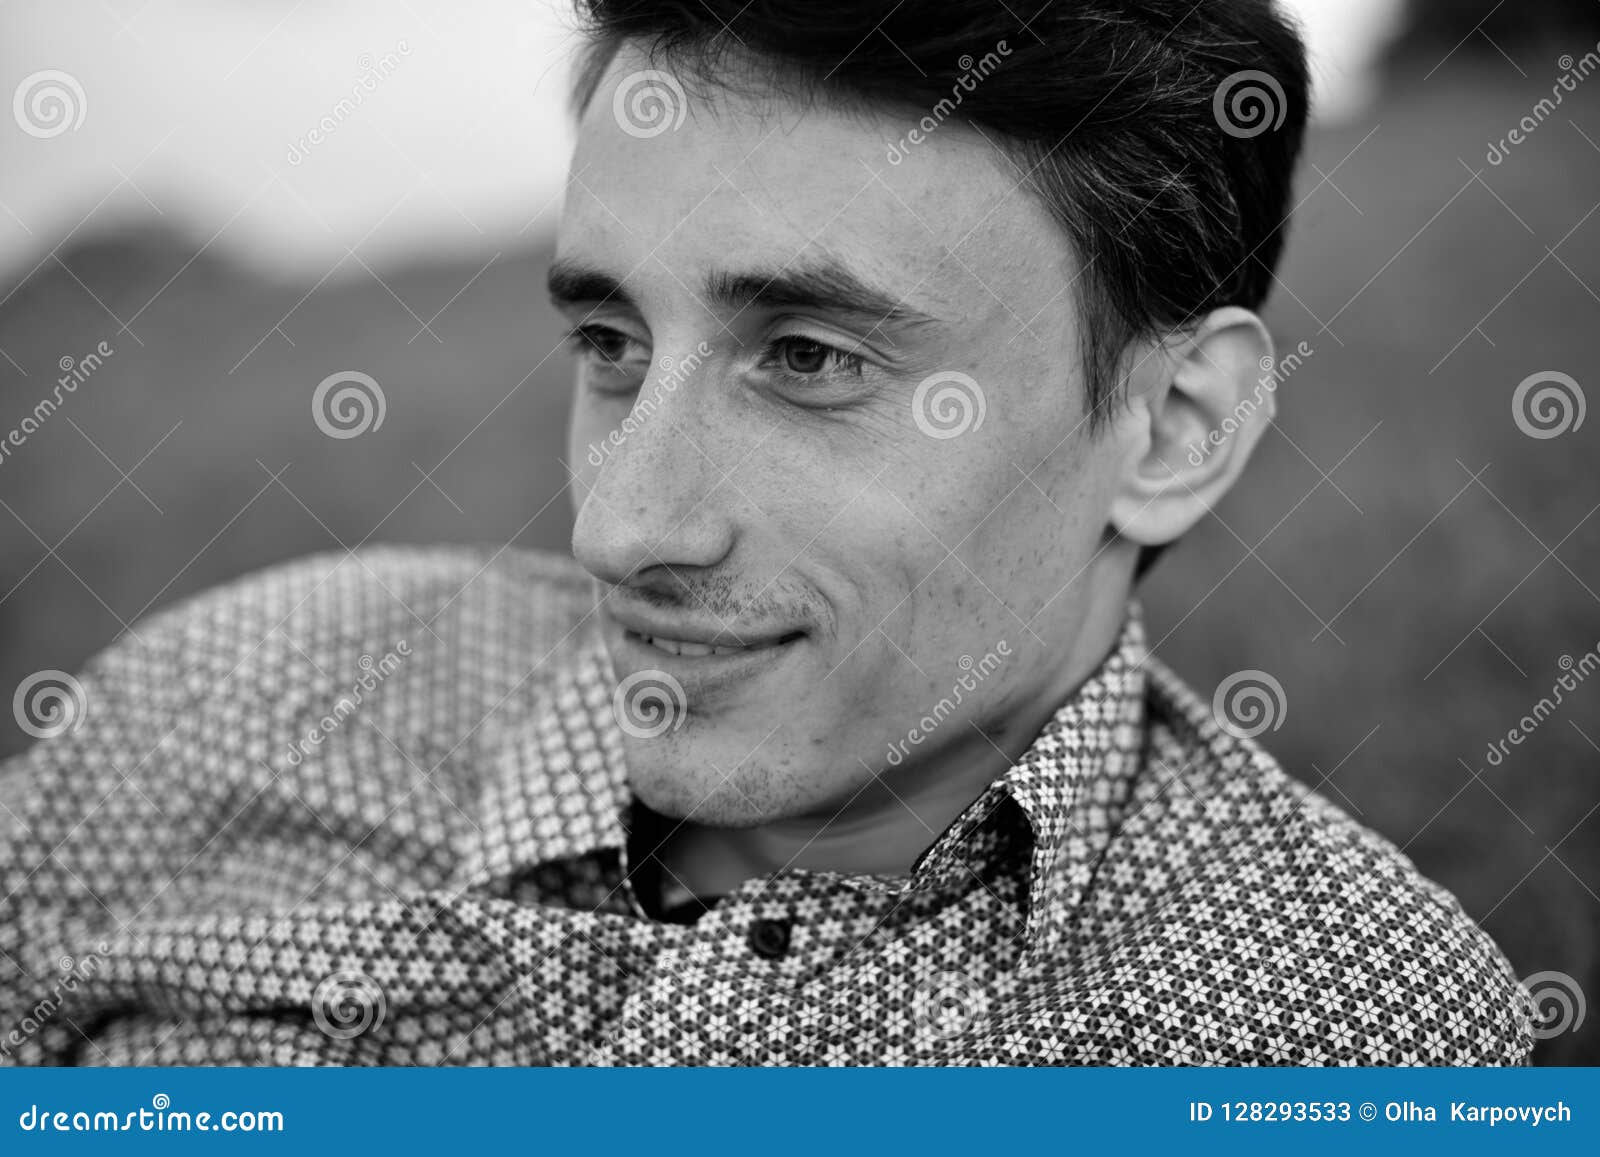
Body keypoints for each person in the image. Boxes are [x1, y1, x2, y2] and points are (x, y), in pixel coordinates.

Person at [0, 0, 1532, 1065]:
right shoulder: (210, 712)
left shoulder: (1334, 1032)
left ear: (1175, 425)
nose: (624, 526)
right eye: (609, 339)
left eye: (812, 359)